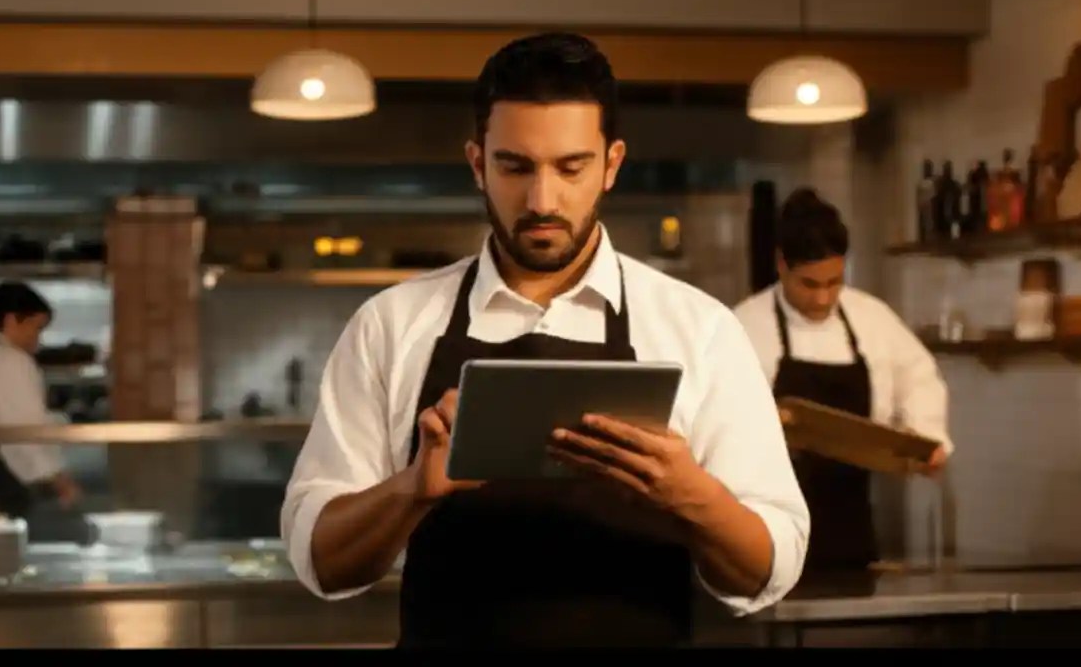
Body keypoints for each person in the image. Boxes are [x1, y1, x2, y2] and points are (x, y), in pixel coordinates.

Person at [280, 32, 809, 648]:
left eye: (570, 167)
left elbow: (769, 570)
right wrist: (409, 491)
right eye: (515, 166)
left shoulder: (702, 330)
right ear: (478, 162)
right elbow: (319, 560)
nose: (541, 200)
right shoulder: (391, 325)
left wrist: (689, 495)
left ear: (611, 164)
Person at [732, 187, 952, 575]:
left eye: (833, 282)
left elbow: (919, 377)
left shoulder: (872, 317)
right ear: (781, 264)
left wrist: (925, 438)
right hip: (767, 528)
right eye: (809, 284)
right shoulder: (745, 326)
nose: (822, 298)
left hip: (854, 526)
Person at [0, 282, 83, 524]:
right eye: (37, 328)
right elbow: (25, 435)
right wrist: (61, 481)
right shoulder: (11, 362)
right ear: (12, 321)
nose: (38, 339)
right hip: (14, 484)